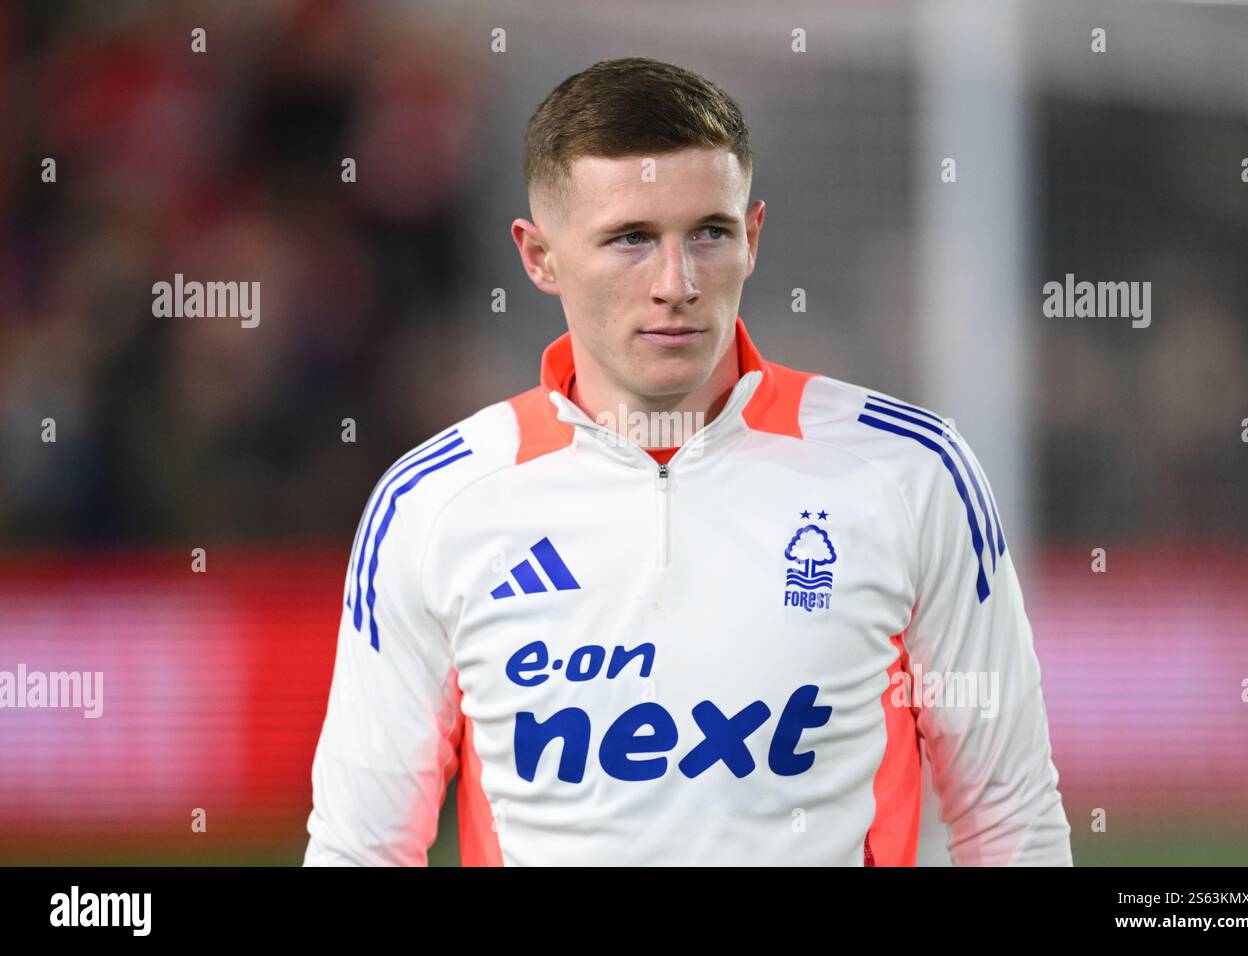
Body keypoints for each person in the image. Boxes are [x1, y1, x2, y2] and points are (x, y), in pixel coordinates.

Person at [303, 56, 1071, 866]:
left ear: (754, 239)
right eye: (630, 239)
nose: (678, 283)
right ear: (539, 257)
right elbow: (362, 847)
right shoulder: (436, 505)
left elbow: (1010, 818)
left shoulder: (912, 473)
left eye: (709, 232)